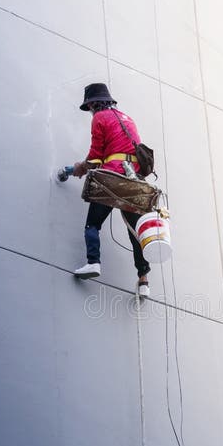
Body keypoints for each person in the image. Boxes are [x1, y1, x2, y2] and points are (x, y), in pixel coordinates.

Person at [72, 83, 150, 296]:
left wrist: (82, 167)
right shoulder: (127, 118)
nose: (90, 111)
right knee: (135, 231)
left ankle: (93, 263)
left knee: (93, 224)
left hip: (113, 177)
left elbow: (96, 154)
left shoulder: (100, 118)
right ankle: (143, 281)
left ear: (94, 103)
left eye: (89, 107)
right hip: (133, 180)